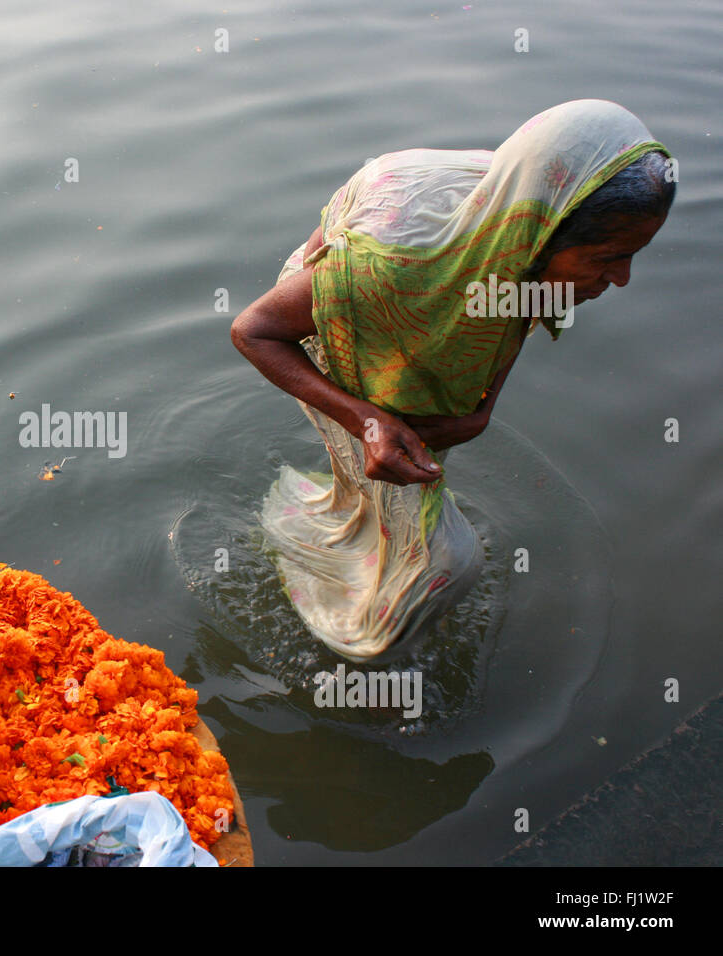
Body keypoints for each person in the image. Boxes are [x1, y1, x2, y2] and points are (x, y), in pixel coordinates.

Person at [230, 100, 674, 660]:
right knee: (445, 560)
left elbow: (521, 301)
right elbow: (254, 330)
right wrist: (366, 418)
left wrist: (486, 401)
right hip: (335, 319)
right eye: (609, 258)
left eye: (634, 255)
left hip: (429, 289)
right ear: (543, 236)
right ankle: (371, 650)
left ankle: (346, 537)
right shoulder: (395, 262)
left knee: (396, 475)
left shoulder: (537, 203)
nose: (623, 278)